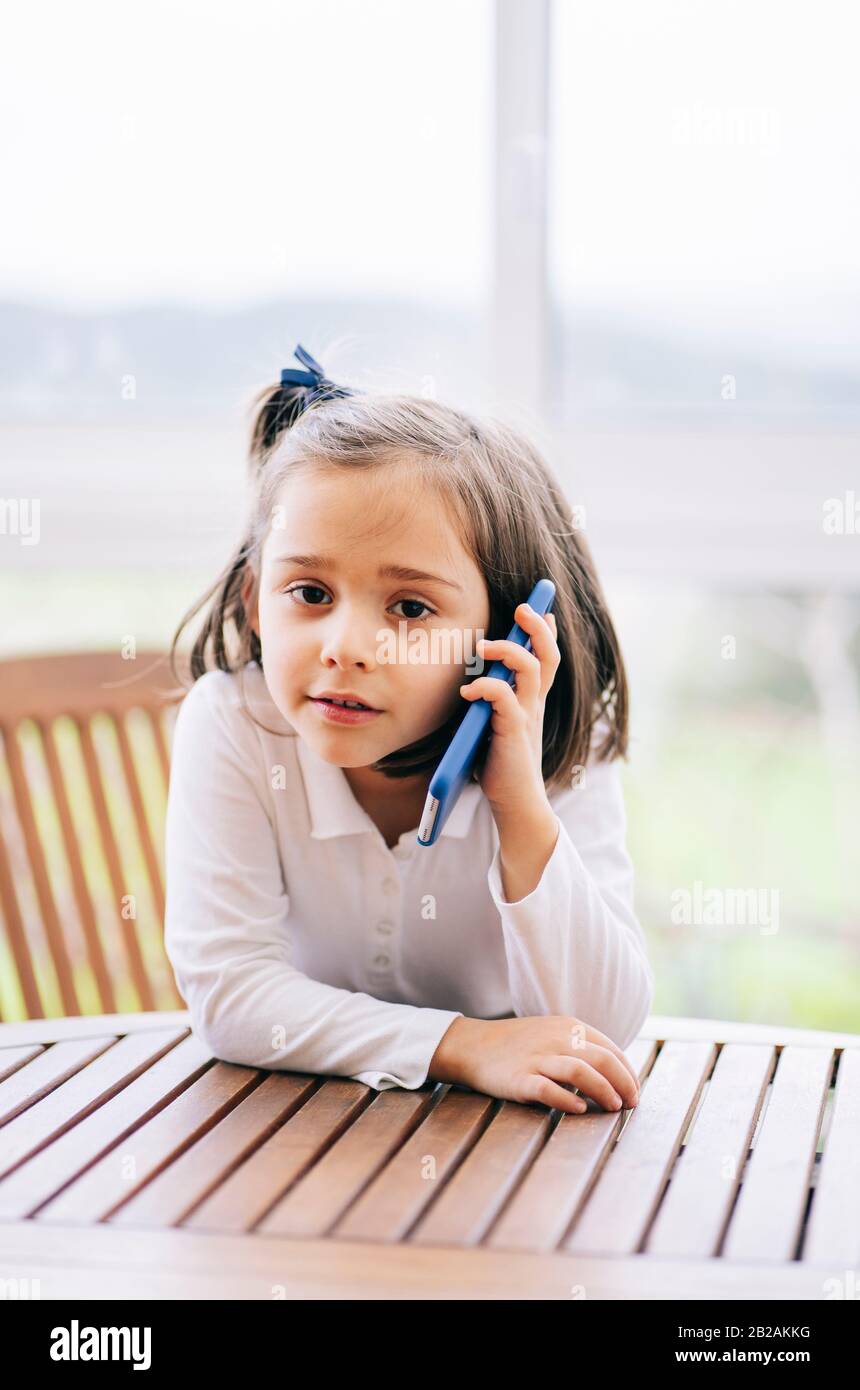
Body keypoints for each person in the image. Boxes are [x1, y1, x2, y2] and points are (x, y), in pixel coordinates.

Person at [164, 345, 651, 1115]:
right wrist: (464, 1046)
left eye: (411, 607)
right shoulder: (233, 725)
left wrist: (520, 802)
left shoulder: (560, 744)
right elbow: (231, 994)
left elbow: (599, 1029)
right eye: (310, 592)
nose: (345, 647)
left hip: (508, 1152)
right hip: (292, 1133)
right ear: (256, 602)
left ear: (505, 634)